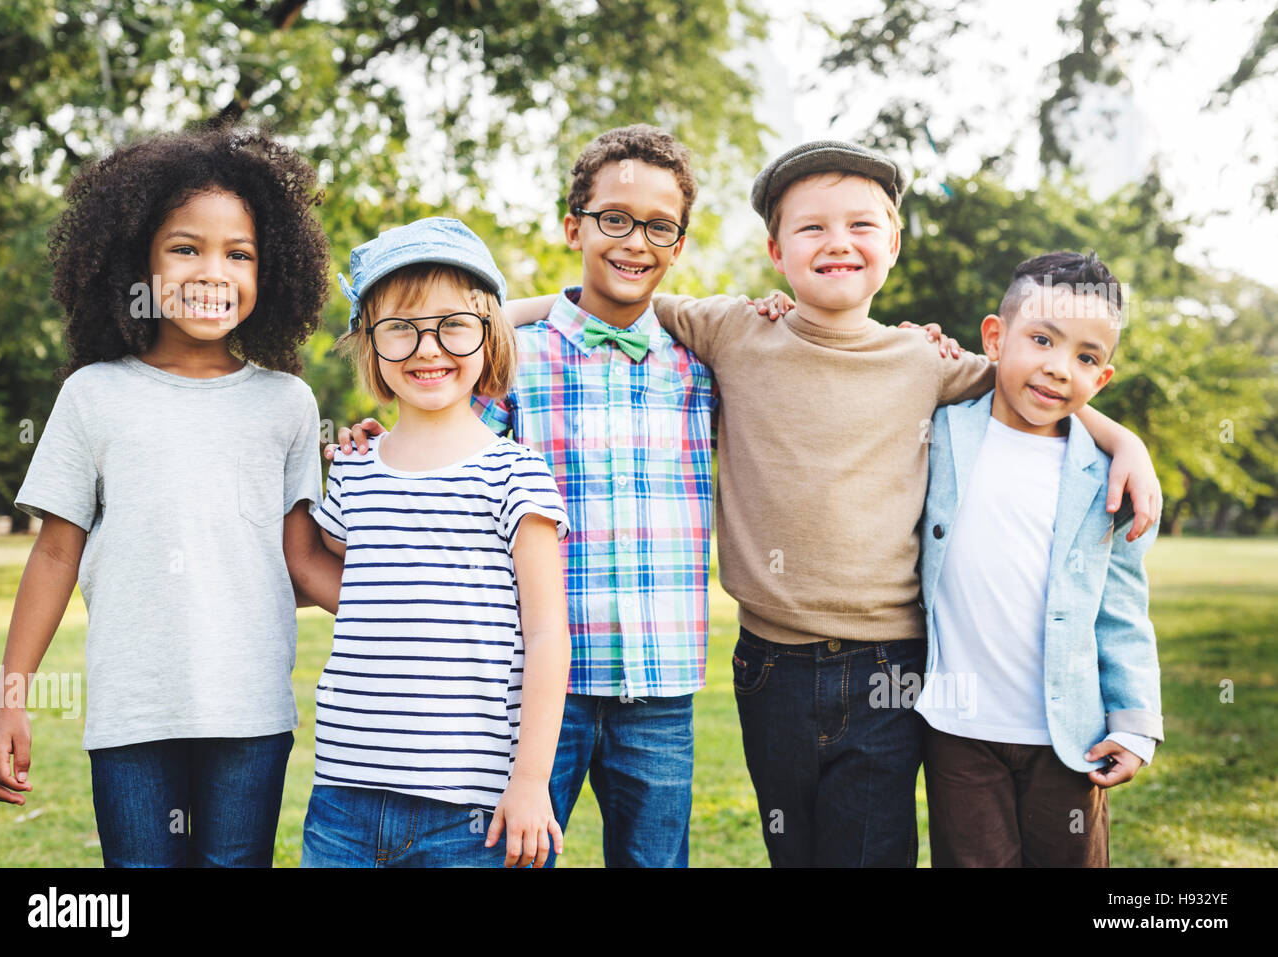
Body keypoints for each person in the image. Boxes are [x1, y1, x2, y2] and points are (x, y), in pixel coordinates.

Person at [609, 140, 1160, 866]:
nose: (838, 242)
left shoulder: (925, 362)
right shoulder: (735, 329)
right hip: (770, 664)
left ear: (893, 243)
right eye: (812, 228)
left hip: (889, 664)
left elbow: (1038, 384)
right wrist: (487, 311)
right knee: (792, 848)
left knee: (873, 850)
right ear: (775, 248)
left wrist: (1125, 441)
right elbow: (608, 300)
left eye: (861, 225)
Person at [334, 126, 718, 868]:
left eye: (658, 226)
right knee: (511, 853)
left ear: (678, 242)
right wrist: (374, 447)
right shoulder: (510, 361)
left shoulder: (702, 362)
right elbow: (439, 455)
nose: (634, 240)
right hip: (539, 687)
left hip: (662, 683)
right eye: (613, 218)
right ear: (573, 226)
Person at [0, 127, 337, 867]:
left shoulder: (288, 404)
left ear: (273, 270)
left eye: (239, 253)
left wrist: (425, 594)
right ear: (135, 257)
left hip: (251, 715)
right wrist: (9, 697)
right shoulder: (94, 395)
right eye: (186, 248)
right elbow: (52, 553)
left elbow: (302, 562)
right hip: (131, 716)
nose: (214, 271)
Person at [299, 217, 570, 868]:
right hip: (345, 797)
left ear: (489, 337)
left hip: (472, 811)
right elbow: (333, 575)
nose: (427, 348)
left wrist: (532, 780)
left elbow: (548, 636)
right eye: (400, 328)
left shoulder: (516, 473)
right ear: (371, 344)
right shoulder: (357, 468)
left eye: (452, 325)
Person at [917, 251, 1162, 867]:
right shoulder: (939, 432)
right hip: (958, 727)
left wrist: (1134, 723)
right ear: (995, 339)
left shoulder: (1107, 476)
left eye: (1085, 357)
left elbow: (1122, 610)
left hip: (1071, 736)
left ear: (1101, 380)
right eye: (1042, 340)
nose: (1058, 368)